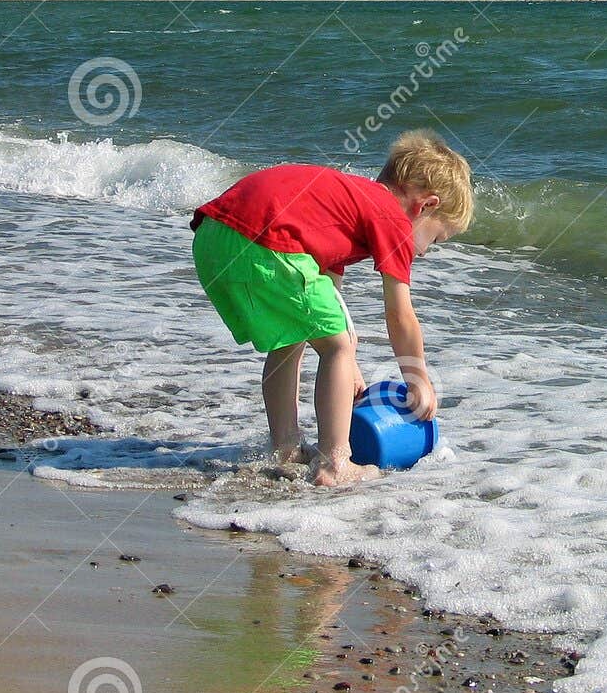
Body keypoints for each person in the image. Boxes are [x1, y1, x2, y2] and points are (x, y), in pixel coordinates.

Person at [190, 130, 472, 485]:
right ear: (425, 206)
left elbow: (328, 297)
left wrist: (349, 366)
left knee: (292, 338)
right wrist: (418, 380)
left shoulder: (349, 203)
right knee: (337, 345)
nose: (427, 250)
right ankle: (335, 462)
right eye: (435, 237)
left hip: (215, 236)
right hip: (265, 241)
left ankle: (286, 448)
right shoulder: (393, 218)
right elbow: (400, 314)